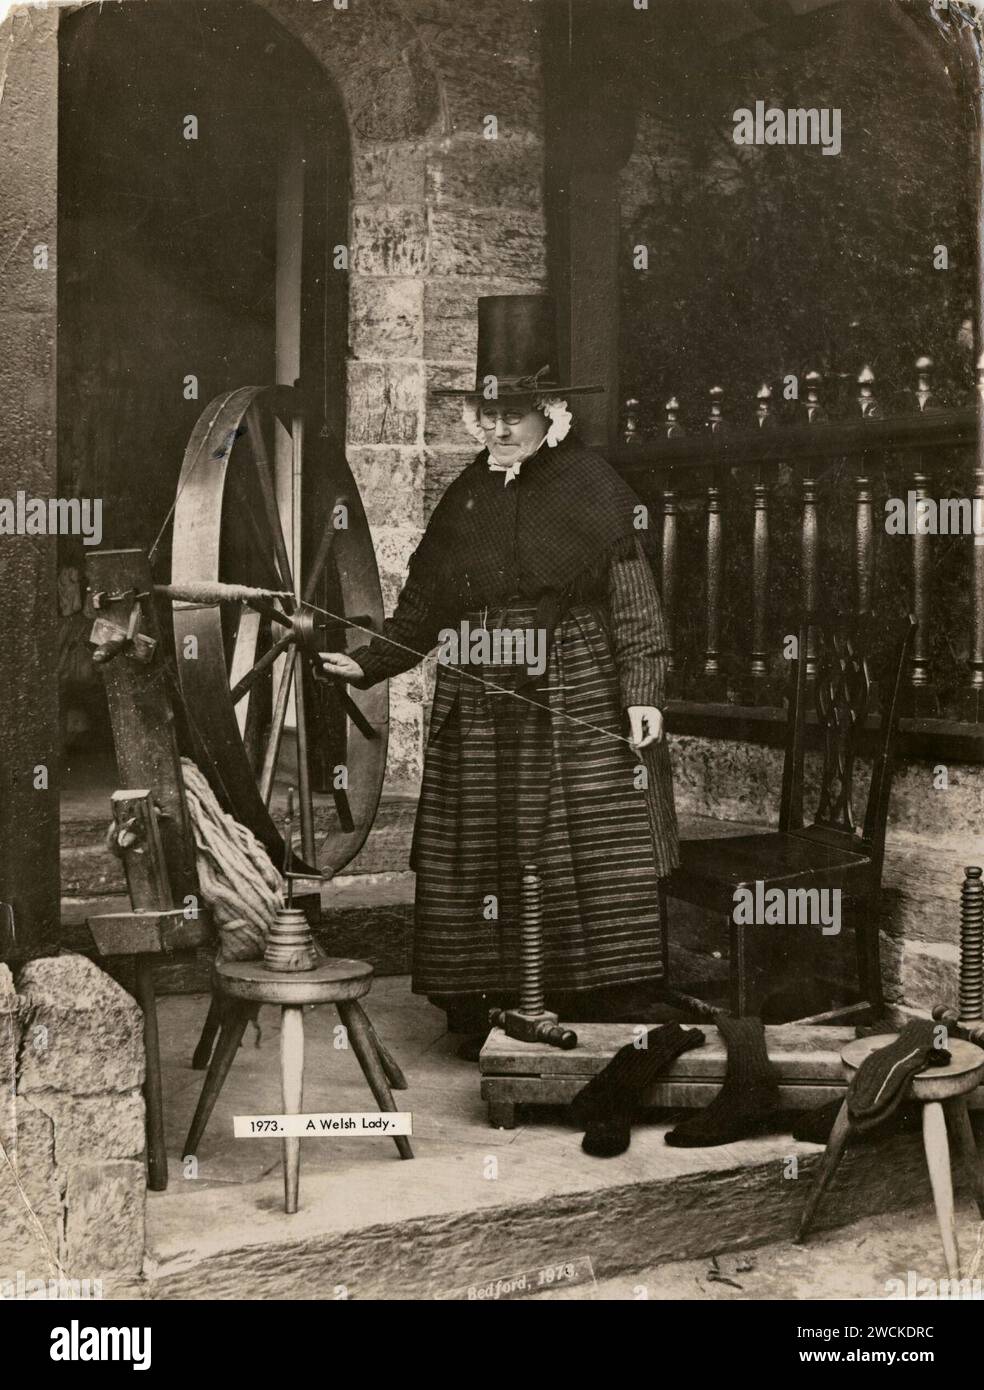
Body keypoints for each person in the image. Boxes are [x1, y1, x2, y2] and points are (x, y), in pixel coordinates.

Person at [321, 295, 678, 1046]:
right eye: (485, 412)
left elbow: (634, 601)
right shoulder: (465, 495)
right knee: (477, 840)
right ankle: (480, 993)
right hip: (478, 692)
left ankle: (590, 994)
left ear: (550, 411)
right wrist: (366, 665)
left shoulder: (591, 484)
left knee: (575, 831)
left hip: (573, 679)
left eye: (511, 412)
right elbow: (421, 611)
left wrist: (642, 692)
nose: (495, 426)